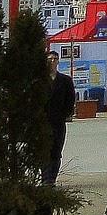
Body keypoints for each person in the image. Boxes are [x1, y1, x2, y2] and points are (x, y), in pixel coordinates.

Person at [44, 51, 75, 185]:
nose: (52, 61)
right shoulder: (40, 80)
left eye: (55, 59)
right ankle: (45, 177)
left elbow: (70, 99)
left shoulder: (65, 80)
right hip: (43, 121)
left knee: (56, 150)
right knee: (44, 150)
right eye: (50, 59)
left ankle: (51, 178)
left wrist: (65, 114)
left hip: (58, 121)